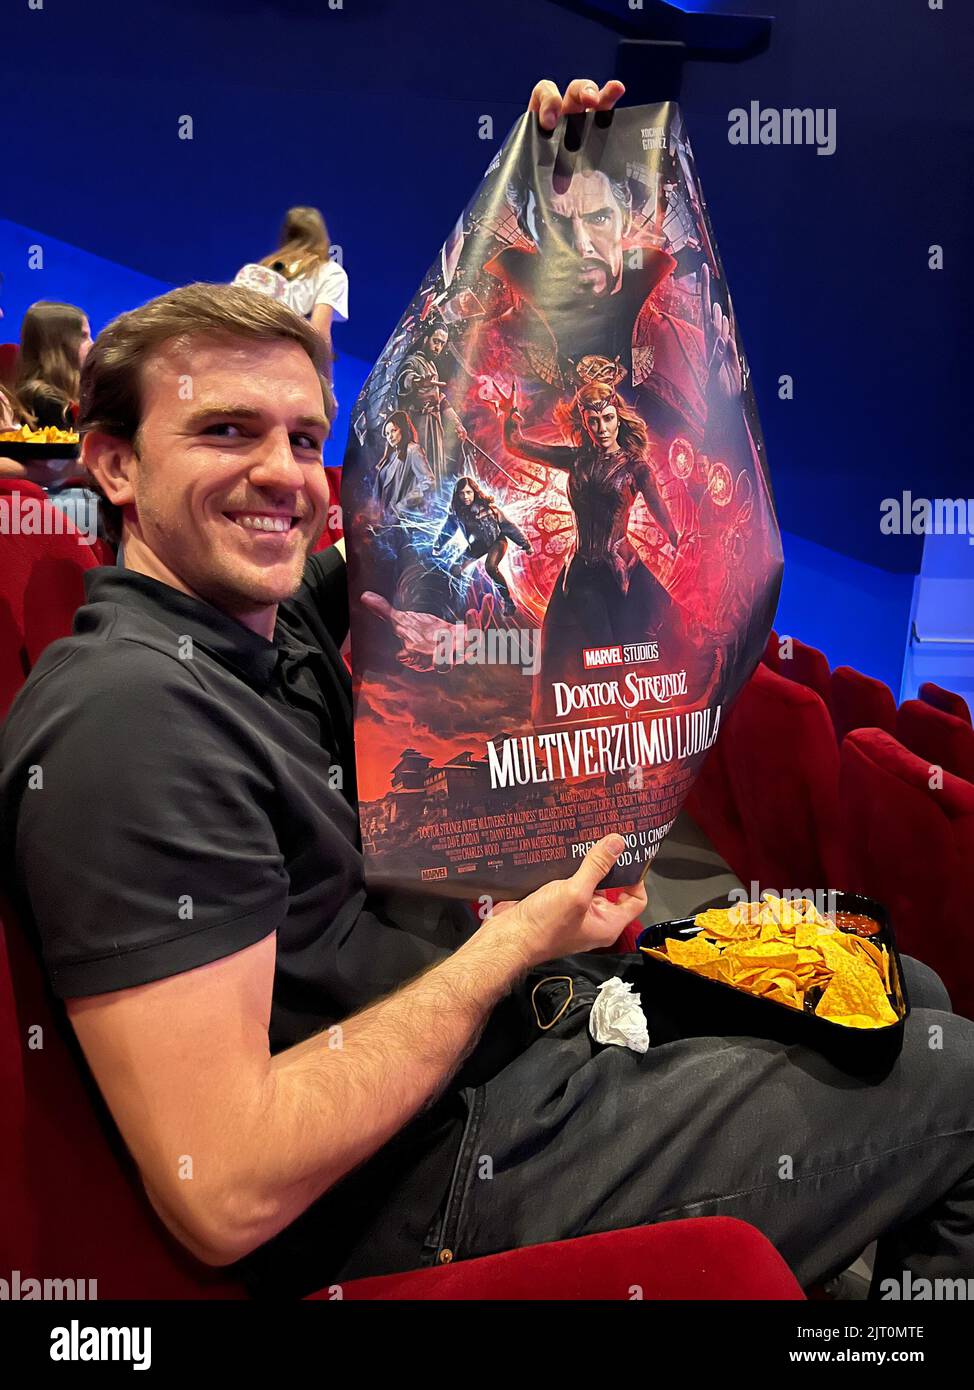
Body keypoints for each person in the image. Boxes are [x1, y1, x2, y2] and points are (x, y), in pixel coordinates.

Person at [2, 80, 973, 1305]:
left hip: (500, 1042)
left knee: (903, 990)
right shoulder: (129, 723)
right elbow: (224, 1185)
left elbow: (448, 451)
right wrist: (515, 939)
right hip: (441, 1174)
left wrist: (566, 210)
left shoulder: (243, 626)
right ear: (112, 465)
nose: (285, 478)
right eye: (225, 433)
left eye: (306, 440)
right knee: (959, 1078)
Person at [235, 205, 348, 383]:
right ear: (322, 236)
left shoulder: (261, 268)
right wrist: (325, 385)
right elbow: (320, 333)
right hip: (275, 366)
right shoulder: (331, 272)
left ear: (286, 234)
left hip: (235, 356)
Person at [433, 474, 532, 616]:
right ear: (457, 495)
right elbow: (448, 529)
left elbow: (509, 526)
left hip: (496, 541)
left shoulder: (490, 509)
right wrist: (438, 545)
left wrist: (526, 544)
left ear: (474, 492)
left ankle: (508, 602)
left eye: (468, 492)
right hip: (477, 545)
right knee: (454, 570)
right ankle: (461, 603)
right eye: (461, 493)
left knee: (490, 567)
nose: (465, 497)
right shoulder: (457, 512)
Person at [15, 300, 92, 428]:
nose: (92, 344)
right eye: (83, 336)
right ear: (58, 344)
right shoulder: (45, 401)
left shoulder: (72, 393)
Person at [373, 410, 435, 515]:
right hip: (382, 519)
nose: (390, 437)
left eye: (394, 430)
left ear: (403, 429)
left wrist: (401, 506)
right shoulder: (391, 455)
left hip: (398, 520)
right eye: (387, 434)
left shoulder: (413, 450)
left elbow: (428, 482)